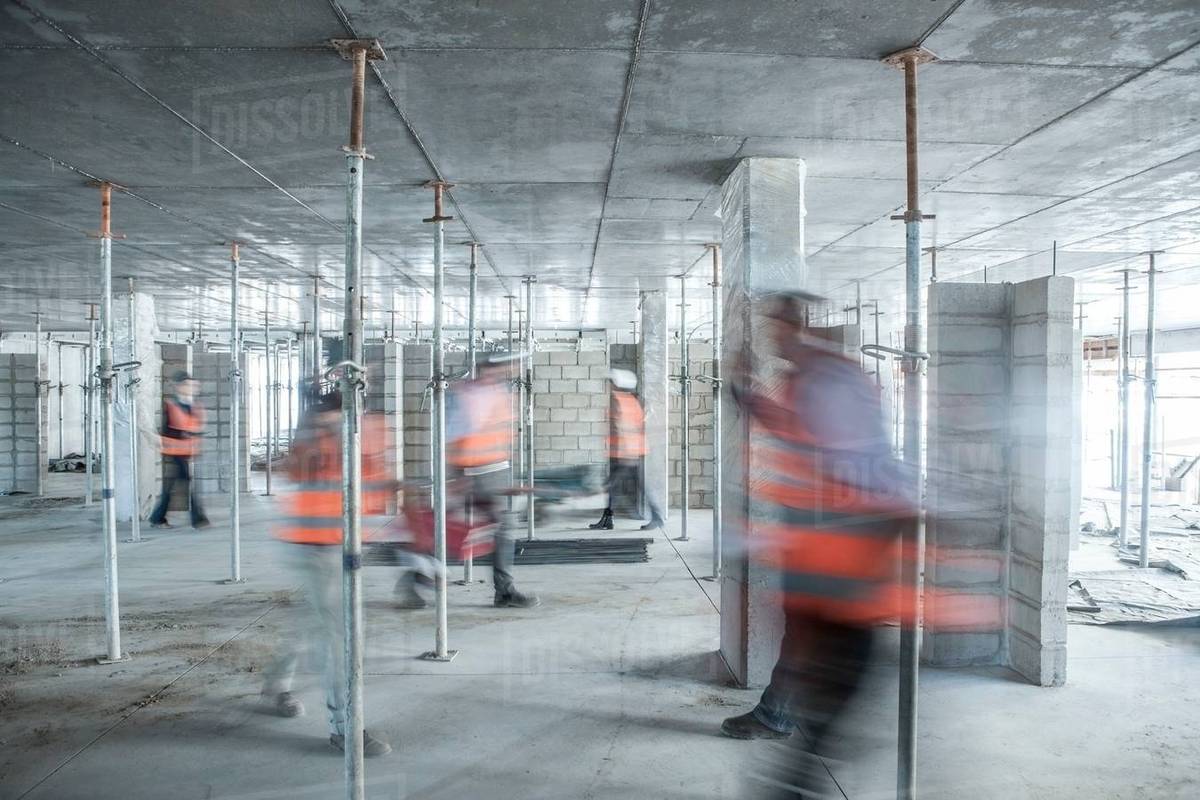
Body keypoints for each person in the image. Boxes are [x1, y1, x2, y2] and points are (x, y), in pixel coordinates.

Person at [717, 291, 915, 799]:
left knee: (838, 669)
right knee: (818, 653)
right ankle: (784, 728)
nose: (769, 337)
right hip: (821, 551)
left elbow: (845, 460)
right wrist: (744, 390)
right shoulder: (810, 375)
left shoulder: (827, 378)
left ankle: (795, 756)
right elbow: (795, 433)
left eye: (773, 325)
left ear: (793, 323)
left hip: (842, 554)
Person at [262, 390, 393, 757]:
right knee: (338, 637)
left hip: (341, 544)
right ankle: (345, 727)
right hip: (312, 546)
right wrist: (328, 430)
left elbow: (373, 479)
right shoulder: (314, 437)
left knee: (316, 623)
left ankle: (276, 682)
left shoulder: (363, 430)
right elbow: (300, 469)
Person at [444, 353, 538, 608]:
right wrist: (455, 475)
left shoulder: (500, 393)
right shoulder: (469, 396)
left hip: (496, 472)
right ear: (486, 370)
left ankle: (504, 591)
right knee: (454, 533)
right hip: (474, 474)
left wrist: (510, 473)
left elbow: (504, 435)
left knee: (500, 530)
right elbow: (452, 436)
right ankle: (419, 577)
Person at [588, 369, 663, 531]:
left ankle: (609, 519)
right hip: (631, 452)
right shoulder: (631, 401)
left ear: (618, 384)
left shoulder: (619, 401)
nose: (608, 385)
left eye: (611, 382)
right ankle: (655, 516)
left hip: (625, 454)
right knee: (631, 486)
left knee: (613, 486)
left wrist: (625, 454)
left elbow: (624, 427)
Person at [149, 371, 209, 529]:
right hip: (175, 453)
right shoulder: (172, 405)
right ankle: (198, 519)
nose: (193, 388)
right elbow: (177, 428)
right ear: (179, 386)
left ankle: (158, 518)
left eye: (194, 385)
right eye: (189, 385)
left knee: (172, 488)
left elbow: (197, 427)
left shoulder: (194, 405)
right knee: (188, 485)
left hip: (189, 452)